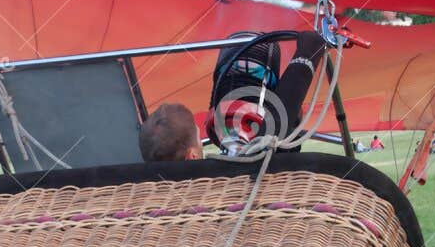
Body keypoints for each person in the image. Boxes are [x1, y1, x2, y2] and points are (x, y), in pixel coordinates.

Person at [138, 29, 327, 162]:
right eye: (198, 138)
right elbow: (276, 126)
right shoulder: (226, 181)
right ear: (192, 156)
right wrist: (308, 52)